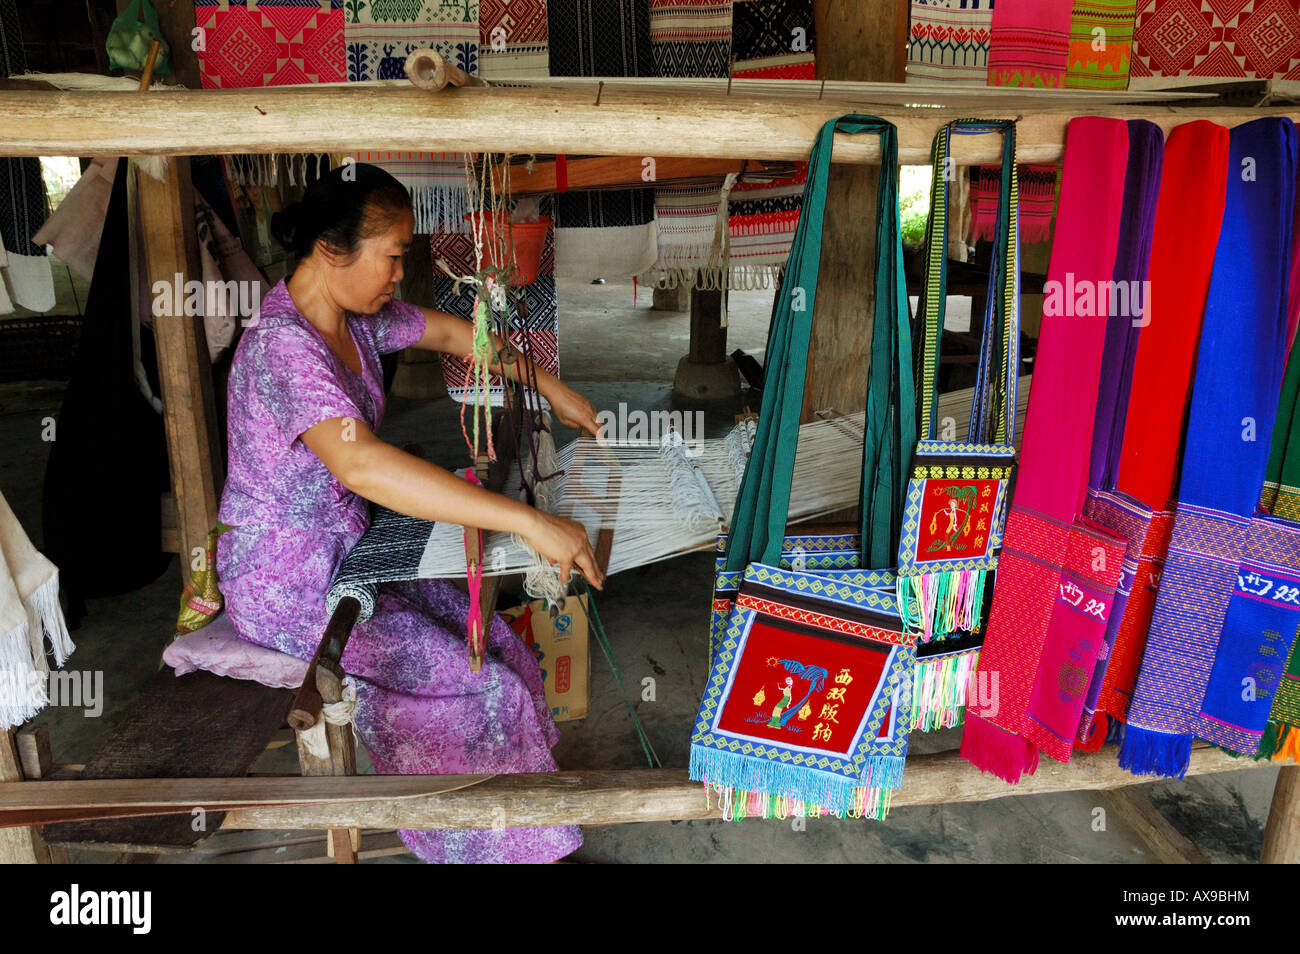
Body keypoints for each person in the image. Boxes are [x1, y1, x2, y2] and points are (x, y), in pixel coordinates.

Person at [215, 162, 603, 864]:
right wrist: (525, 521)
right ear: (332, 250)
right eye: (392, 257)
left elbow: (458, 337)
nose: (401, 274)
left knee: (504, 650)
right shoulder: (283, 347)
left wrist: (551, 387)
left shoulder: (353, 321)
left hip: (349, 555)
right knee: (476, 684)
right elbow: (360, 464)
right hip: (285, 580)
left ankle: (520, 840)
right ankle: (475, 849)